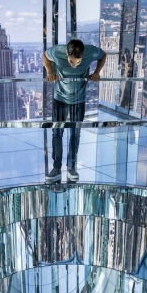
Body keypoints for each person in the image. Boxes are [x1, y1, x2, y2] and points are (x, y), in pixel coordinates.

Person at [43, 39, 106, 184]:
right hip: (60, 97)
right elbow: (45, 56)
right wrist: (50, 72)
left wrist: (97, 72)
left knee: (75, 133)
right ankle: (56, 168)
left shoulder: (91, 51)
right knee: (57, 133)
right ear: (66, 53)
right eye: (72, 62)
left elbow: (103, 55)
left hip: (79, 98)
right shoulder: (58, 51)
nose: (75, 65)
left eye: (78, 62)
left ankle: (71, 167)